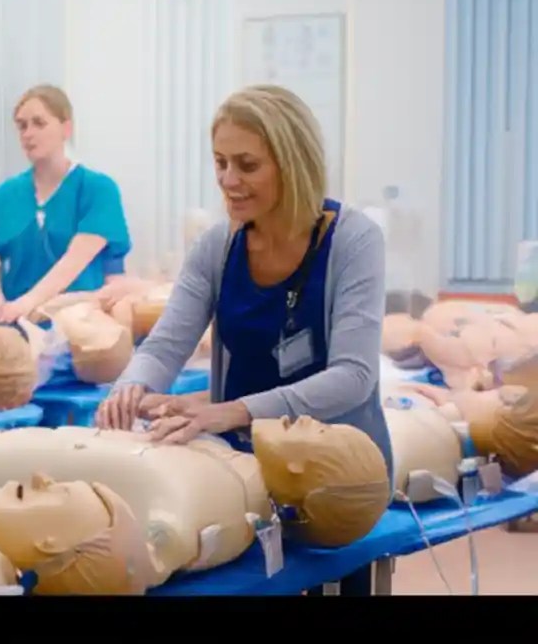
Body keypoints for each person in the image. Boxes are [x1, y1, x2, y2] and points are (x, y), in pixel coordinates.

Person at [94, 84, 390, 596]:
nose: (229, 181)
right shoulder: (218, 246)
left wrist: (230, 410)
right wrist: (129, 390)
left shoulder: (354, 241)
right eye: (220, 162)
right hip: (243, 469)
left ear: (292, 163)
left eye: (247, 165)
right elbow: (166, 345)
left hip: (334, 477)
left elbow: (354, 377)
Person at [0, 84, 131, 324]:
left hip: (77, 326)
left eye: (39, 123)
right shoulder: (4, 196)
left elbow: (74, 260)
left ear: (66, 128)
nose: (28, 133)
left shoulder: (97, 189)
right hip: (14, 323)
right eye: (22, 126)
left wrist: (26, 304)